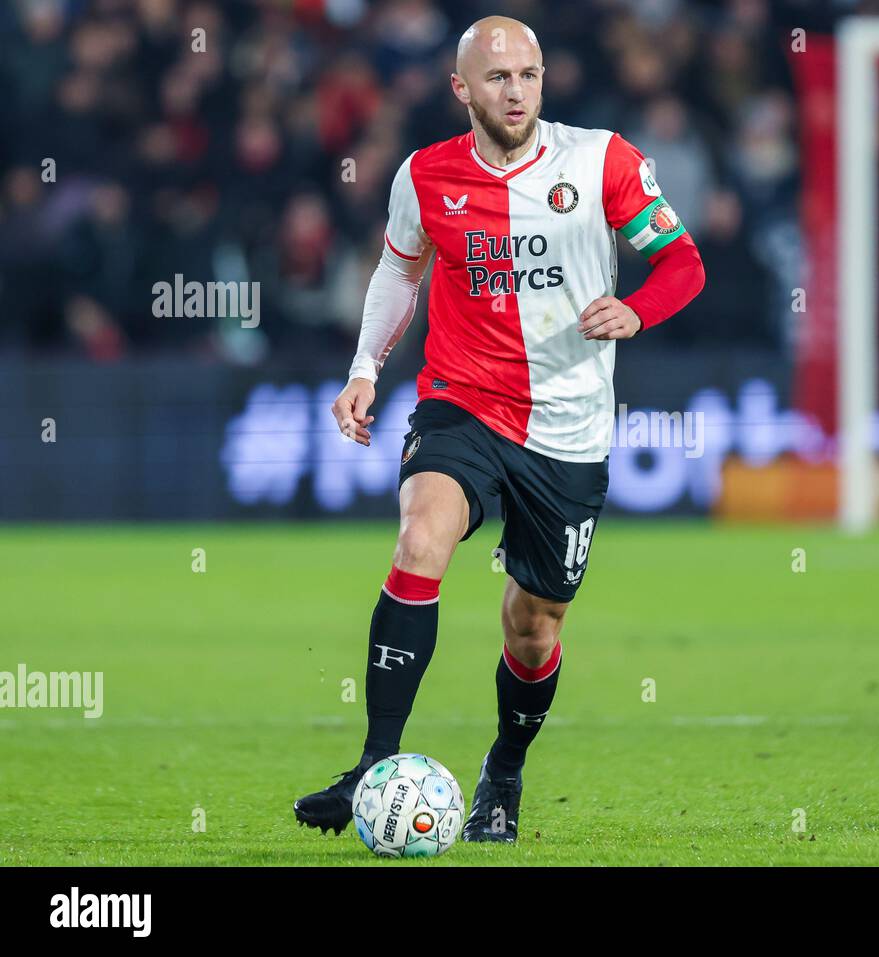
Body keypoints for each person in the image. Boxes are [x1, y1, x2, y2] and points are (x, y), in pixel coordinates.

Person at [292, 15, 705, 843]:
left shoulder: (601, 161)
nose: (515, 92)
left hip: (569, 430)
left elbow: (685, 263)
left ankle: (504, 773)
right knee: (419, 541)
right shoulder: (424, 175)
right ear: (462, 89)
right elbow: (397, 273)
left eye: (528, 75)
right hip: (463, 401)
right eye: (497, 78)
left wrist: (635, 308)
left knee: (533, 624)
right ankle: (374, 764)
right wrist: (365, 370)